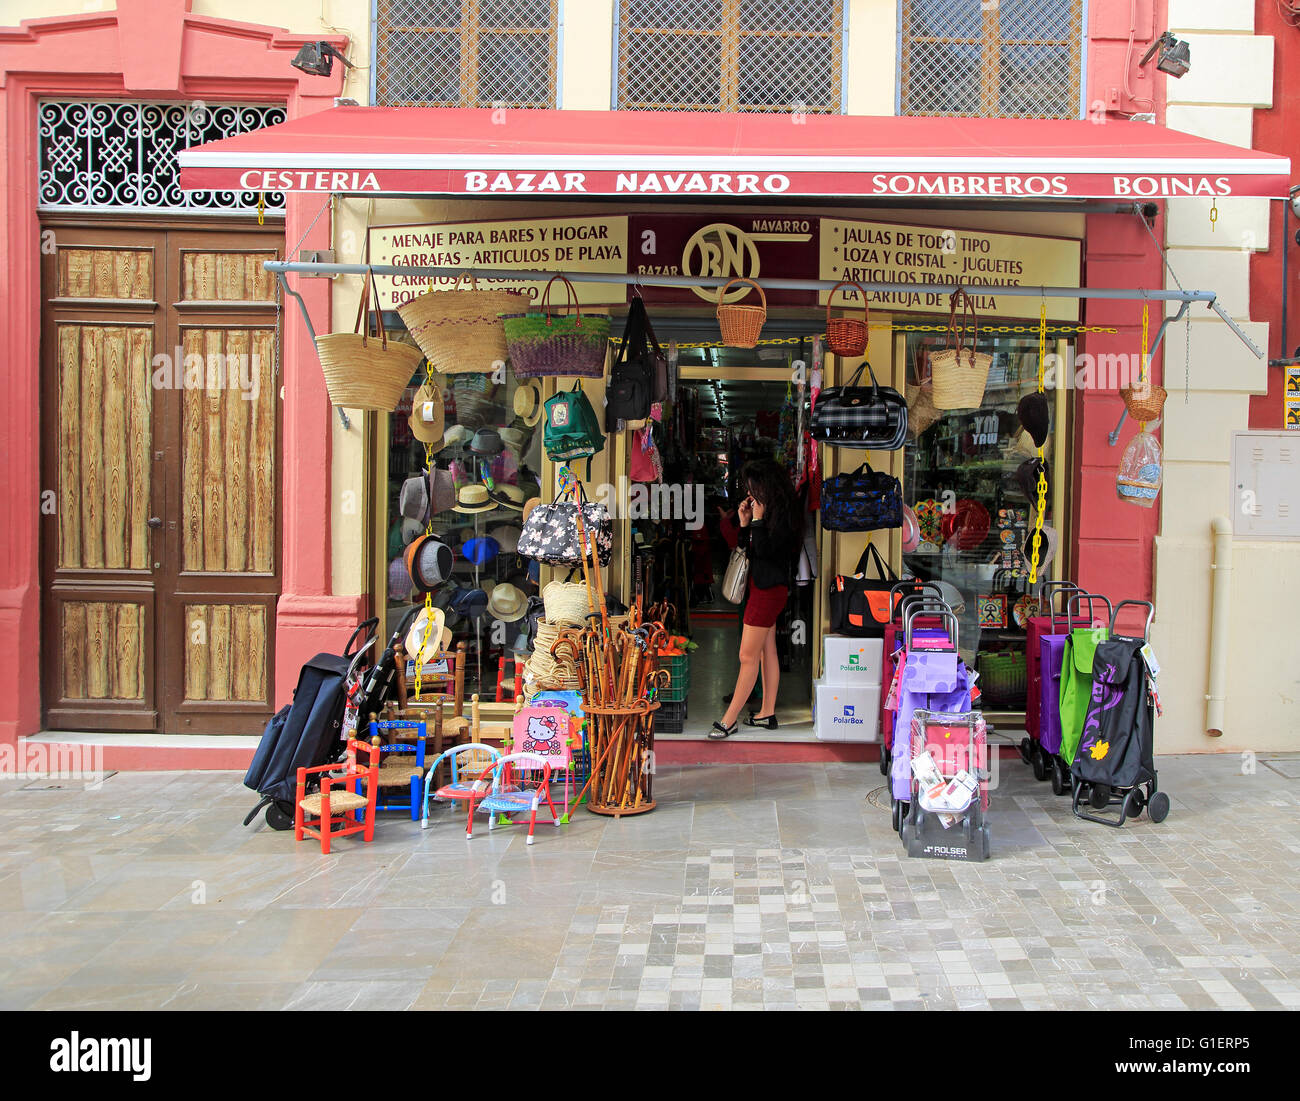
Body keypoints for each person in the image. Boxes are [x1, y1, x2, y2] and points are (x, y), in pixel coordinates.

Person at [710, 459, 800, 739]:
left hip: (767, 591)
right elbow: (746, 547)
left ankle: (729, 720)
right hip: (765, 588)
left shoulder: (782, 515)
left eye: (752, 488)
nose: (749, 494)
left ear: (765, 487)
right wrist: (746, 522)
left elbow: (767, 551)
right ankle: (766, 712)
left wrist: (757, 521)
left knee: (747, 656)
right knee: (765, 652)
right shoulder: (773, 511)